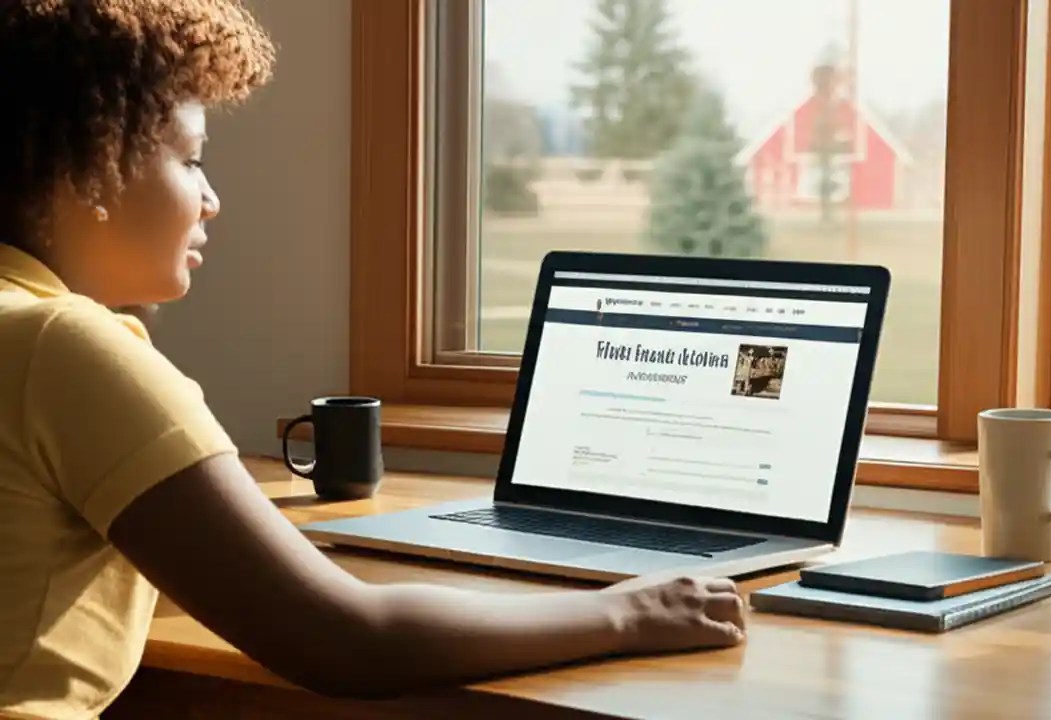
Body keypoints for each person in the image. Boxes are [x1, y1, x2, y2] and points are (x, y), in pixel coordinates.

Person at [0, 2, 745, 717]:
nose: (211, 198)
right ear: (86, 171)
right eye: (191, 160)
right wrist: (629, 610)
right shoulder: (63, 349)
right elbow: (345, 639)